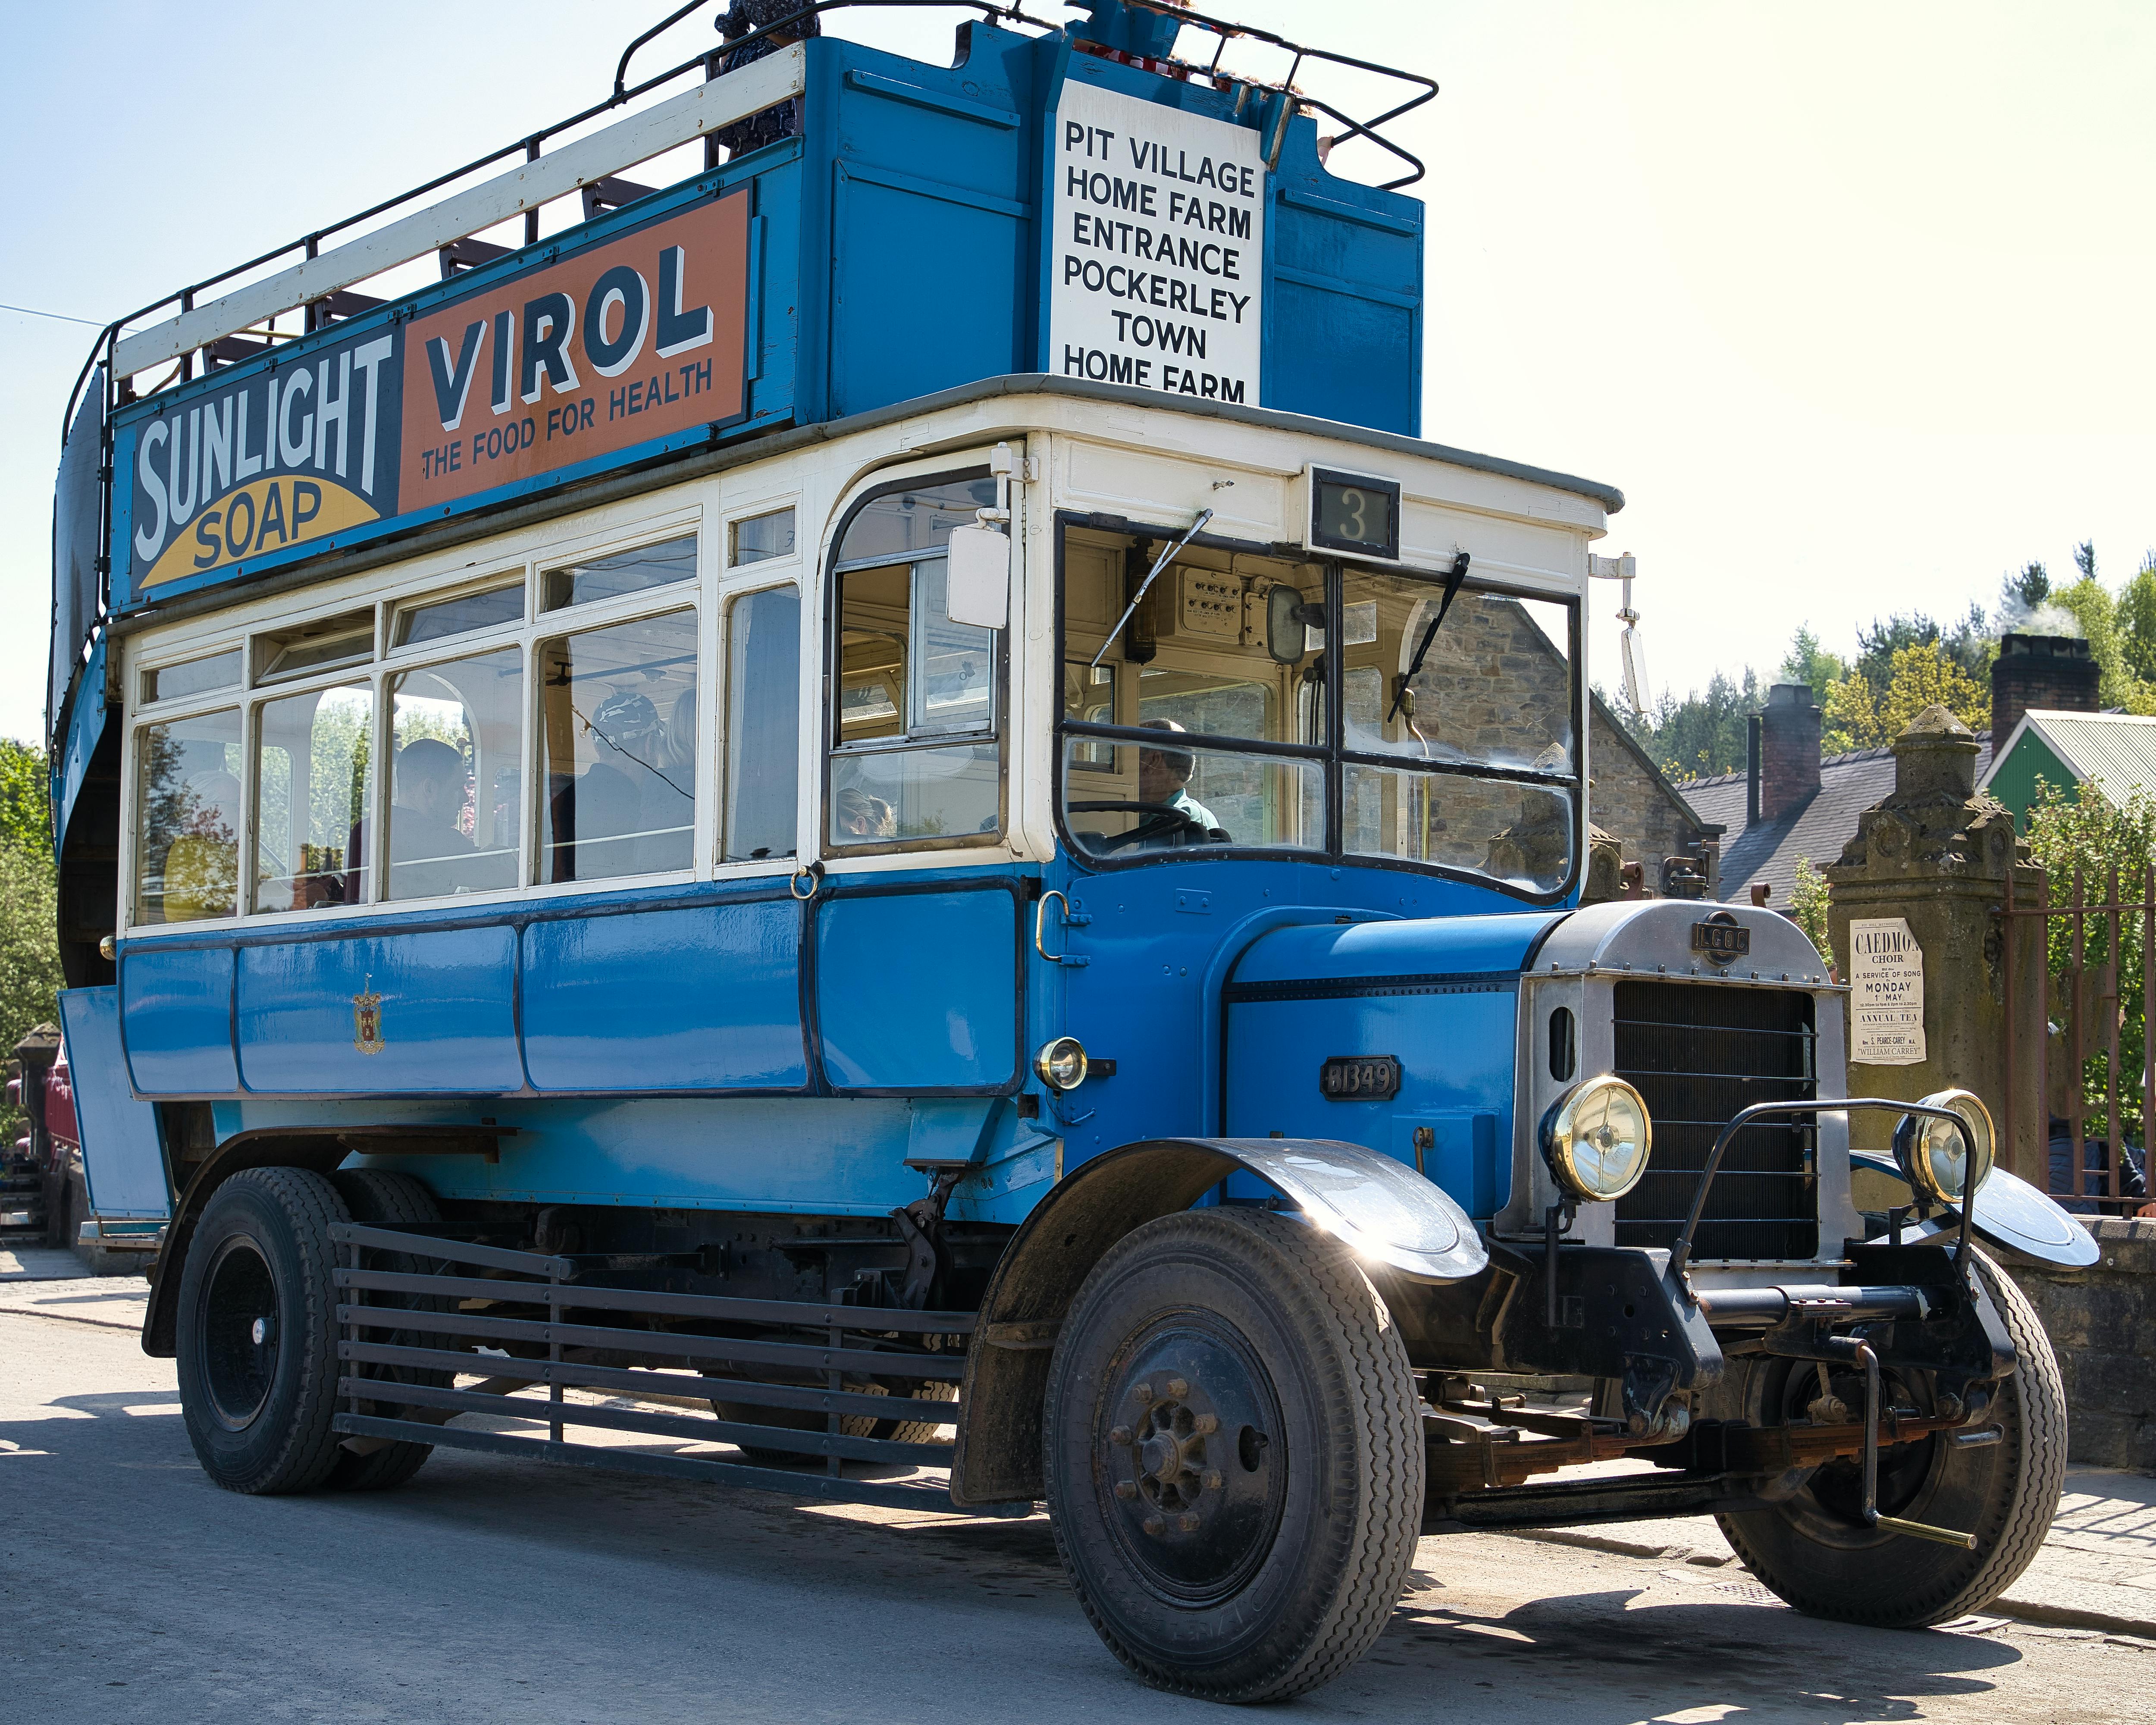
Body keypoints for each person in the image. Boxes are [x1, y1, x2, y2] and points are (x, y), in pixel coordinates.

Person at [387, 737, 475, 899]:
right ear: (429, 788)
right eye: (457, 788)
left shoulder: (363, 832)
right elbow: (509, 878)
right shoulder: (440, 840)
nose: (466, 798)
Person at [161, 771, 241, 921]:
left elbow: (271, 887)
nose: (245, 811)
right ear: (202, 810)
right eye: (237, 804)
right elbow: (240, 910)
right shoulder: (200, 852)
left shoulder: (219, 850)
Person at [1134, 717, 1223, 844]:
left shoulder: (1189, 819)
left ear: (1153, 761)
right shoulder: (1138, 814)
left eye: (1133, 754)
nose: (1124, 764)